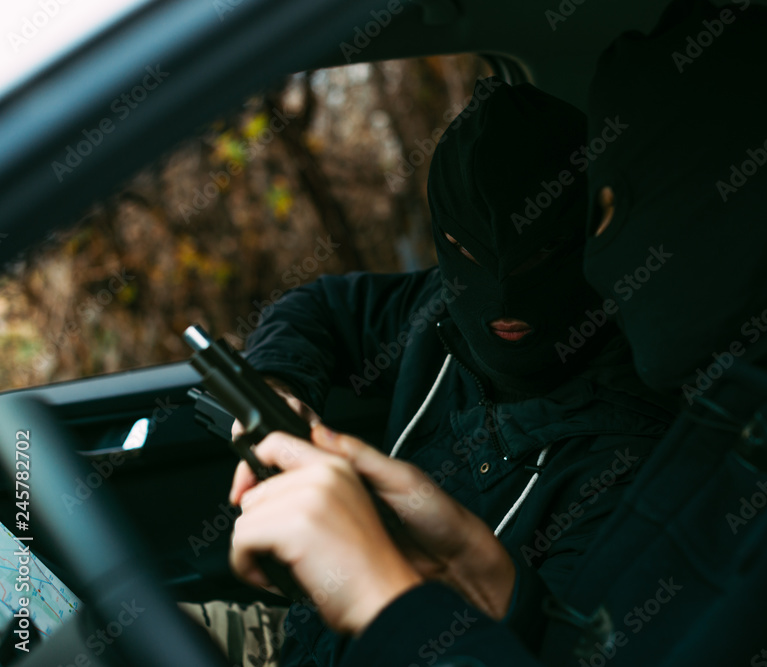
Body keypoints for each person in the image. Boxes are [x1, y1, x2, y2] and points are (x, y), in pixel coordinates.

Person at [229, 2, 767, 665]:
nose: (602, 269)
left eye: (603, 216)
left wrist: (390, 608)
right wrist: (510, 601)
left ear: (730, 192)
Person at [194, 77, 672, 667]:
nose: (502, 299)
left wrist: (373, 585)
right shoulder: (437, 311)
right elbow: (319, 309)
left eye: (541, 255)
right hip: (297, 636)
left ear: (590, 235)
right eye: (467, 253)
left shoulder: (627, 457)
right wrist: (279, 388)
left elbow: (550, 650)